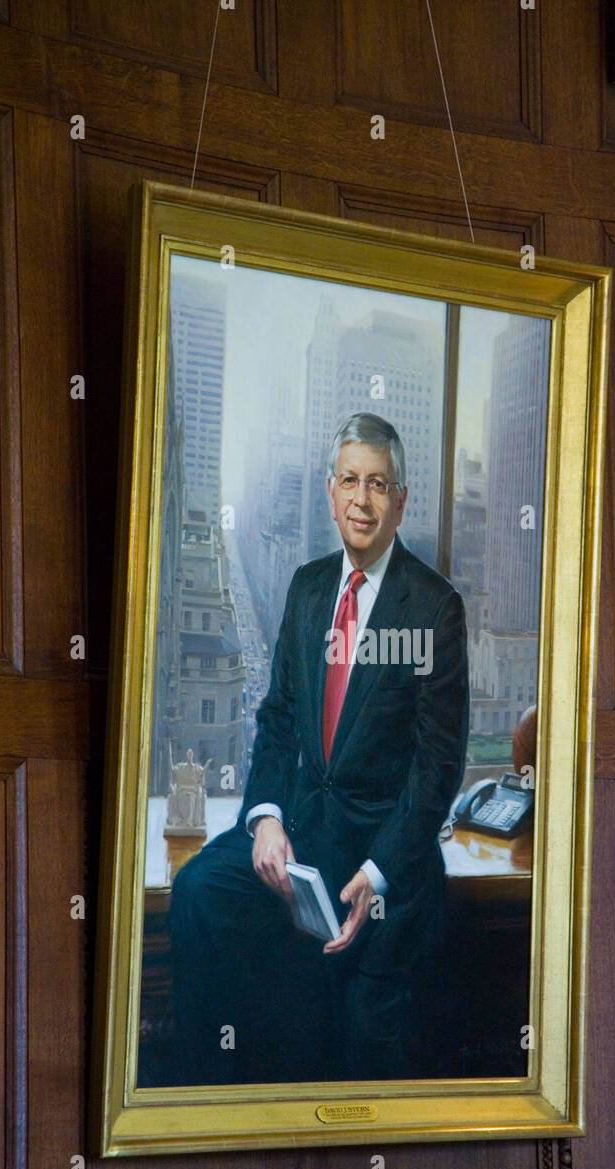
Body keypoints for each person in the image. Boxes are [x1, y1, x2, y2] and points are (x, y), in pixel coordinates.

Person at [168, 412, 469, 1084]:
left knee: (340, 1031)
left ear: (401, 501)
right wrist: (268, 817)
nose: (363, 500)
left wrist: (382, 870)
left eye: (380, 485)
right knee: (194, 895)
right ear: (331, 492)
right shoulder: (306, 588)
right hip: (301, 838)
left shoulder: (434, 607)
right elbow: (277, 721)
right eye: (351, 482)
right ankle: (193, 1116)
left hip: (378, 856)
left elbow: (438, 764)